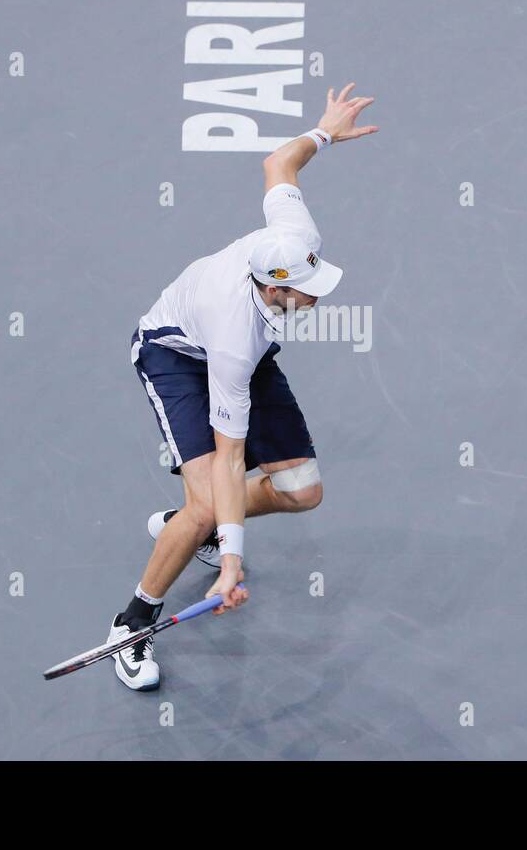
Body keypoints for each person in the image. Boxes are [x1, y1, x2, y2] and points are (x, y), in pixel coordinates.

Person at [107, 82, 378, 690]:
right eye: (306, 291)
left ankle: (187, 526)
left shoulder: (293, 242)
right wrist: (231, 558)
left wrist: (326, 131)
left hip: (242, 352)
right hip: (177, 356)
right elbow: (230, 459)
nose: (316, 295)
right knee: (209, 502)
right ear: (272, 287)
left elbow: (278, 164)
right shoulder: (235, 338)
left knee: (302, 489)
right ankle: (132, 621)